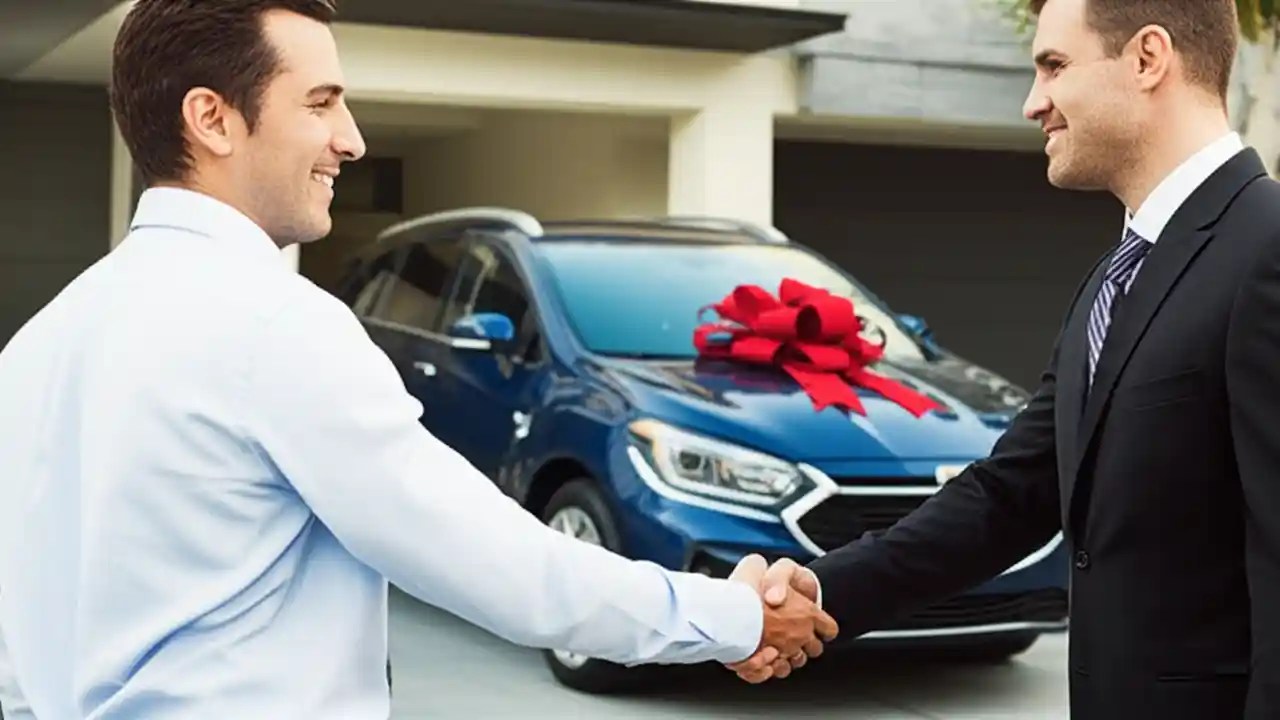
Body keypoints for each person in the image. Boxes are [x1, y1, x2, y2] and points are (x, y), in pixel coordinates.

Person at [0, 1, 837, 717]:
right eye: (321, 103)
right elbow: (500, 566)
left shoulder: (37, 345)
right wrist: (735, 618)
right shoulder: (276, 325)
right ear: (211, 118)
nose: (351, 140)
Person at [735, 0, 1280, 718]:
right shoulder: (1112, 281)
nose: (1034, 104)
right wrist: (818, 591)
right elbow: (1011, 493)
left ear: (1149, 59)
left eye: (1054, 66)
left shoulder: (1267, 252)